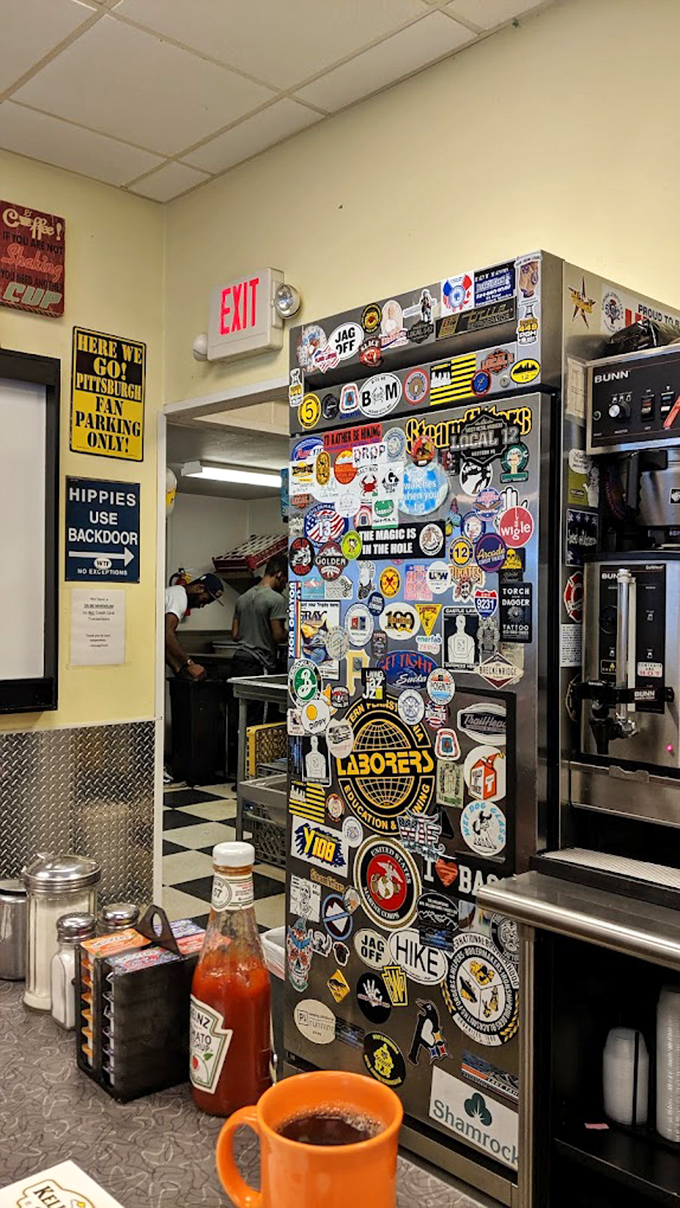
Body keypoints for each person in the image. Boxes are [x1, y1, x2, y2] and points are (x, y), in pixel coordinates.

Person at [230, 554, 287, 679]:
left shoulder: (242, 598)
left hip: (239, 658)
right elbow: (278, 636)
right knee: (260, 697)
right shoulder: (276, 599)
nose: (285, 586)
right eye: (285, 581)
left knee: (242, 698)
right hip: (258, 662)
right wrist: (294, 634)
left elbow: (235, 635)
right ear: (280, 575)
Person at [165, 572, 224, 679]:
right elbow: (167, 634)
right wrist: (190, 664)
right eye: (204, 600)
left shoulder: (176, 593)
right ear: (199, 588)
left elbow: (161, 642)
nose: (201, 606)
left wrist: (177, 669)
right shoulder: (180, 598)